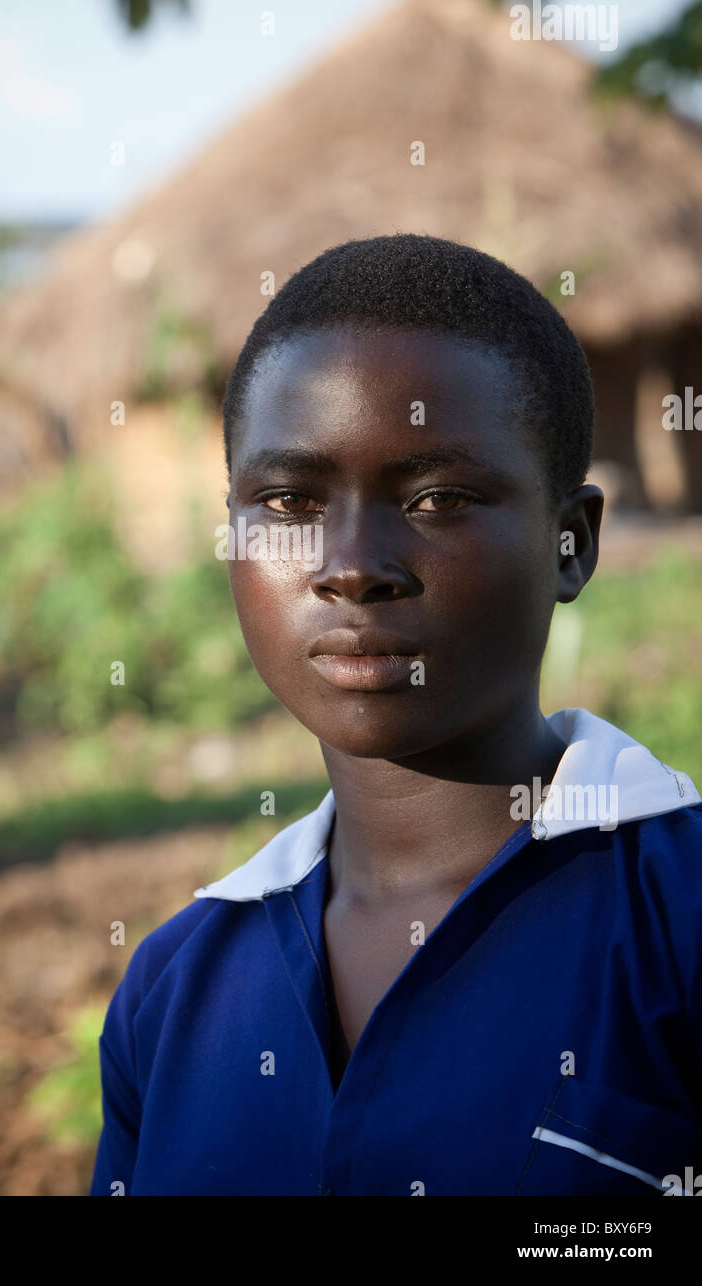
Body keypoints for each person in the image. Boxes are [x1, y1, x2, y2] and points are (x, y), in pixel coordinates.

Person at [90, 234, 702, 1197]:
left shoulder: (676, 920)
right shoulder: (173, 995)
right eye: (289, 500)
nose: (351, 565)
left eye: (437, 496)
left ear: (571, 544)